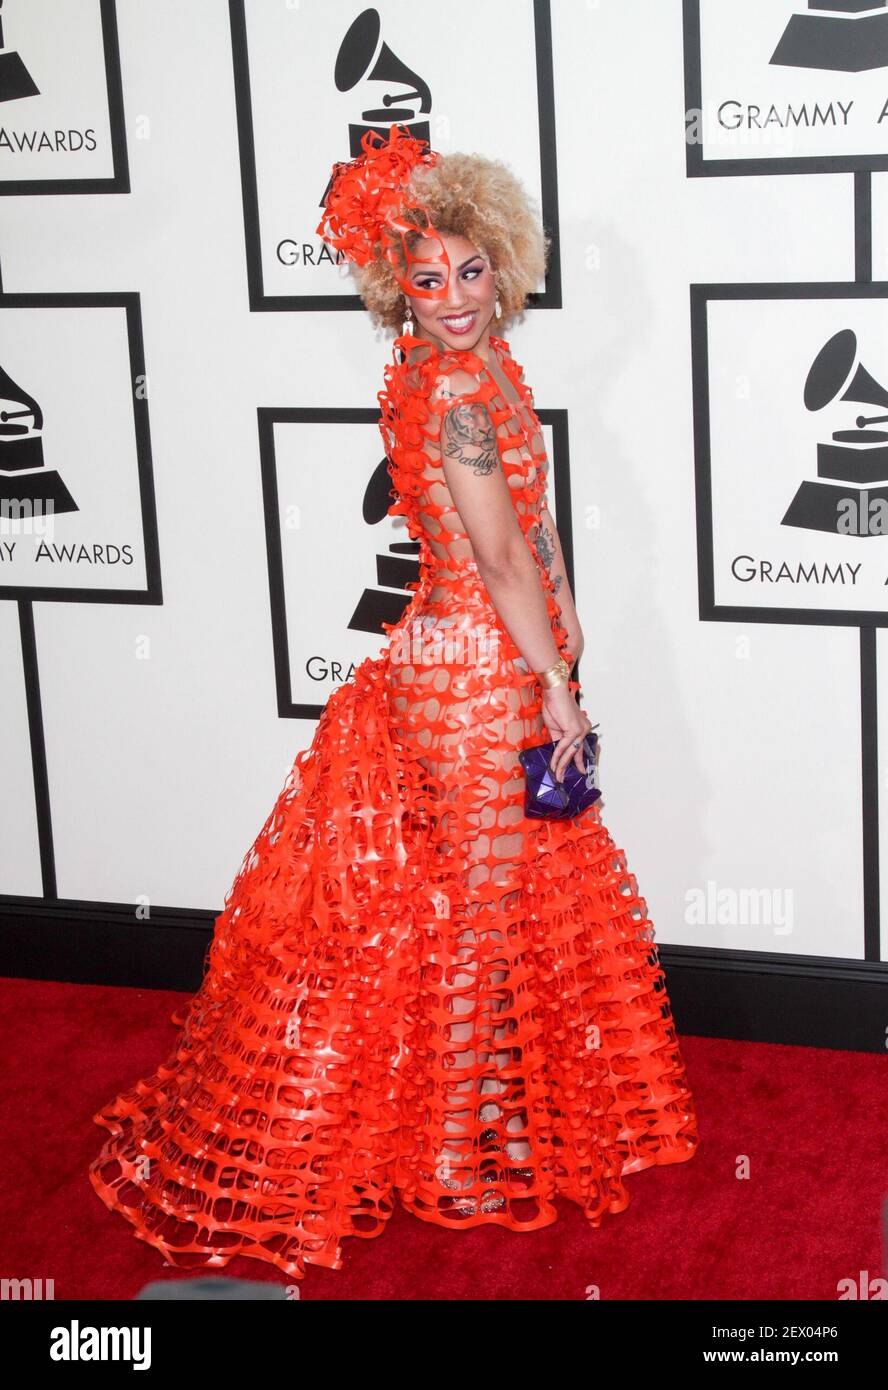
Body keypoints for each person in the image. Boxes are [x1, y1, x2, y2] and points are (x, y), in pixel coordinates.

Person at [88, 125, 699, 1283]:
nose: (455, 298)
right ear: (396, 292)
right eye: (428, 280)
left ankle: (477, 1120)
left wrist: (558, 644)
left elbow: (536, 541)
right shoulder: (459, 397)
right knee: (475, 922)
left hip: (478, 661)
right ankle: (452, 1154)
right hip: (473, 679)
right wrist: (559, 680)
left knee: (494, 909)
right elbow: (504, 560)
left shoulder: (470, 378)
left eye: (472, 272)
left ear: (506, 267)